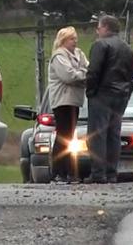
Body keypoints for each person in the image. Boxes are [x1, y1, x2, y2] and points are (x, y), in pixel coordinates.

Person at [85, 14, 133, 183]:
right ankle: (112, 172)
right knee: (114, 135)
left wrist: (90, 91)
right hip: (120, 95)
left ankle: (98, 173)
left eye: (99, 27)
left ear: (105, 28)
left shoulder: (100, 45)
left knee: (97, 134)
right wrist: (127, 94)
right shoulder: (127, 48)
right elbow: (131, 76)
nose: (97, 30)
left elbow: (93, 71)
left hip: (102, 94)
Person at [48, 26, 89, 183]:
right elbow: (69, 76)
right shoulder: (59, 56)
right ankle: (58, 171)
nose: (75, 41)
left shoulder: (79, 54)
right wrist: (83, 75)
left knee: (69, 136)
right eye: (72, 38)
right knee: (62, 135)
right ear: (63, 40)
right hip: (62, 100)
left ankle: (68, 171)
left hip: (75, 99)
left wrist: (82, 74)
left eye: (75, 38)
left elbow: (88, 68)